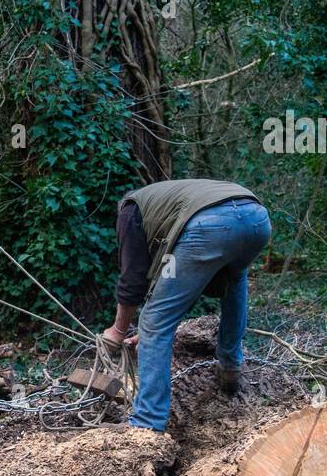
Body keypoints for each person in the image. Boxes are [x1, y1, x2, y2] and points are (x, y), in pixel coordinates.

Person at [101, 179, 271, 431]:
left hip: (211, 224)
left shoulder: (129, 211)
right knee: (234, 285)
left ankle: (147, 423)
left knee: (154, 319)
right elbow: (183, 285)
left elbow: (132, 278)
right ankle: (230, 367)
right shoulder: (169, 201)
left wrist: (118, 330)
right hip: (256, 218)